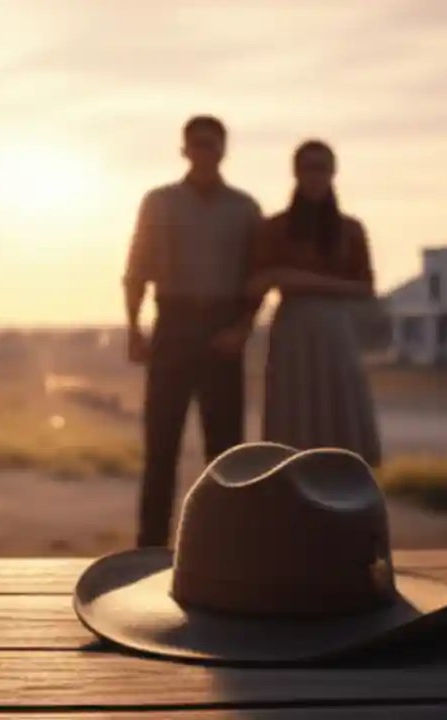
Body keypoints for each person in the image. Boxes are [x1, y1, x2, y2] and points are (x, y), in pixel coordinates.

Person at [124, 115, 264, 547]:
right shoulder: (159, 202)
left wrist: (242, 328)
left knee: (226, 453)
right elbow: (136, 268)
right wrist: (134, 328)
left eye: (212, 144)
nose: (204, 151)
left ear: (224, 149)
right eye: (196, 144)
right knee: (160, 447)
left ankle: (225, 549)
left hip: (222, 330)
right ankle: (149, 551)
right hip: (173, 324)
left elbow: (257, 278)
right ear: (184, 149)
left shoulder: (245, 209)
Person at [247, 139, 382, 466]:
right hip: (292, 328)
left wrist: (300, 279)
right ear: (296, 172)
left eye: (321, 168)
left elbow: (366, 287)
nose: (314, 176)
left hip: (333, 329)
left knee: (338, 412)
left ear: (333, 172)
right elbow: (255, 284)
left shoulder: (350, 230)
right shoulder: (274, 228)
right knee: (294, 413)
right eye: (308, 168)